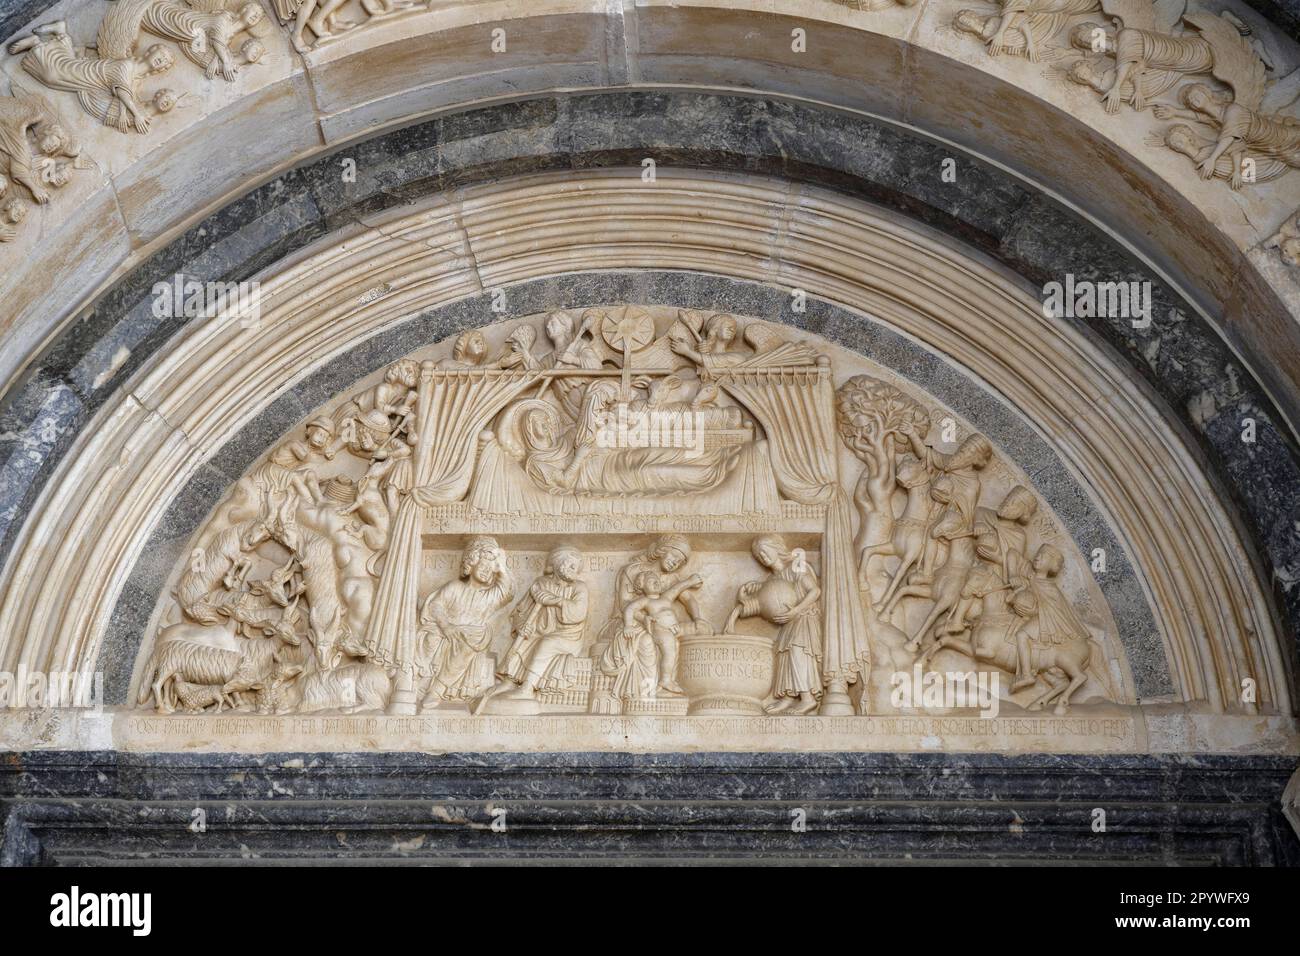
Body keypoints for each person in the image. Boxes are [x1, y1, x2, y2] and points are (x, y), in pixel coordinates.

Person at [473, 546, 589, 712]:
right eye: (571, 565)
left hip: (568, 636)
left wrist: (556, 601)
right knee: (526, 641)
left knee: (547, 643)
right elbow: (521, 610)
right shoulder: (540, 584)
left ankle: (527, 689)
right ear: (557, 563)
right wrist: (521, 625)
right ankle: (509, 682)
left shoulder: (580, 587)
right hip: (539, 632)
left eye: (576, 568)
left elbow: (579, 613)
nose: (574, 570)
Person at [418, 536, 514, 708]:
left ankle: (437, 690)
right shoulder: (454, 587)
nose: (487, 571)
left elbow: (506, 592)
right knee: (428, 639)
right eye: (483, 566)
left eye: (491, 570)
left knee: (471, 638)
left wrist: (501, 568)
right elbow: (436, 605)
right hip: (445, 629)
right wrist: (446, 626)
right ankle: (417, 681)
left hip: (471, 635)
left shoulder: (490, 596)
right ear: (471, 564)